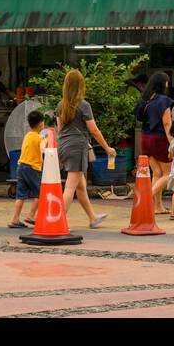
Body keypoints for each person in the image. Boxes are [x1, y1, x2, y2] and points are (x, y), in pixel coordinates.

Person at [57, 68, 115, 229]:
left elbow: (59, 131)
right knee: (70, 187)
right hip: (77, 147)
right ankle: (57, 221)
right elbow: (94, 130)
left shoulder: (60, 105)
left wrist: (60, 153)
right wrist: (107, 148)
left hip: (63, 146)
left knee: (80, 185)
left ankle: (92, 217)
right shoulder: (83, 105)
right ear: (80, 85)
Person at [137, 71, 174, 214]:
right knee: (169, 173)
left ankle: (157, 206)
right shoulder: (164, 100)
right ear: (162, 83)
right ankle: (146, 197)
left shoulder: (144, 100)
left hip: (145, 138)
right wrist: (172, 143)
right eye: (167, 81)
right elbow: (167, 123)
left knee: (157, 173)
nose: (168, 84)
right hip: (159, 139)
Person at [8, 109, 45, 228]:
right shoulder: (40, 138)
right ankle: (31, 216)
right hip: (33, 168)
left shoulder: (27, 135)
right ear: (41, 124)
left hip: (21, 167)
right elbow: (45, 150)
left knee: (21, 195)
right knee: (39, 193)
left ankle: (15, 219)